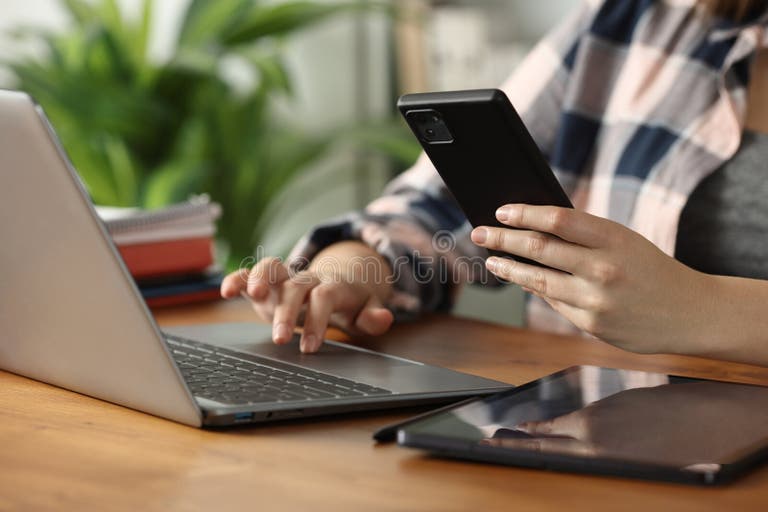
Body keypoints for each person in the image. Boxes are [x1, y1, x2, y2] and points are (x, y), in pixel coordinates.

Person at [221, 0, 768, 366]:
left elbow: (686, 307)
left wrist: (700, 306)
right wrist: (345, 274)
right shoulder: (629, 19)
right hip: (592, 430)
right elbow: (438, 209)